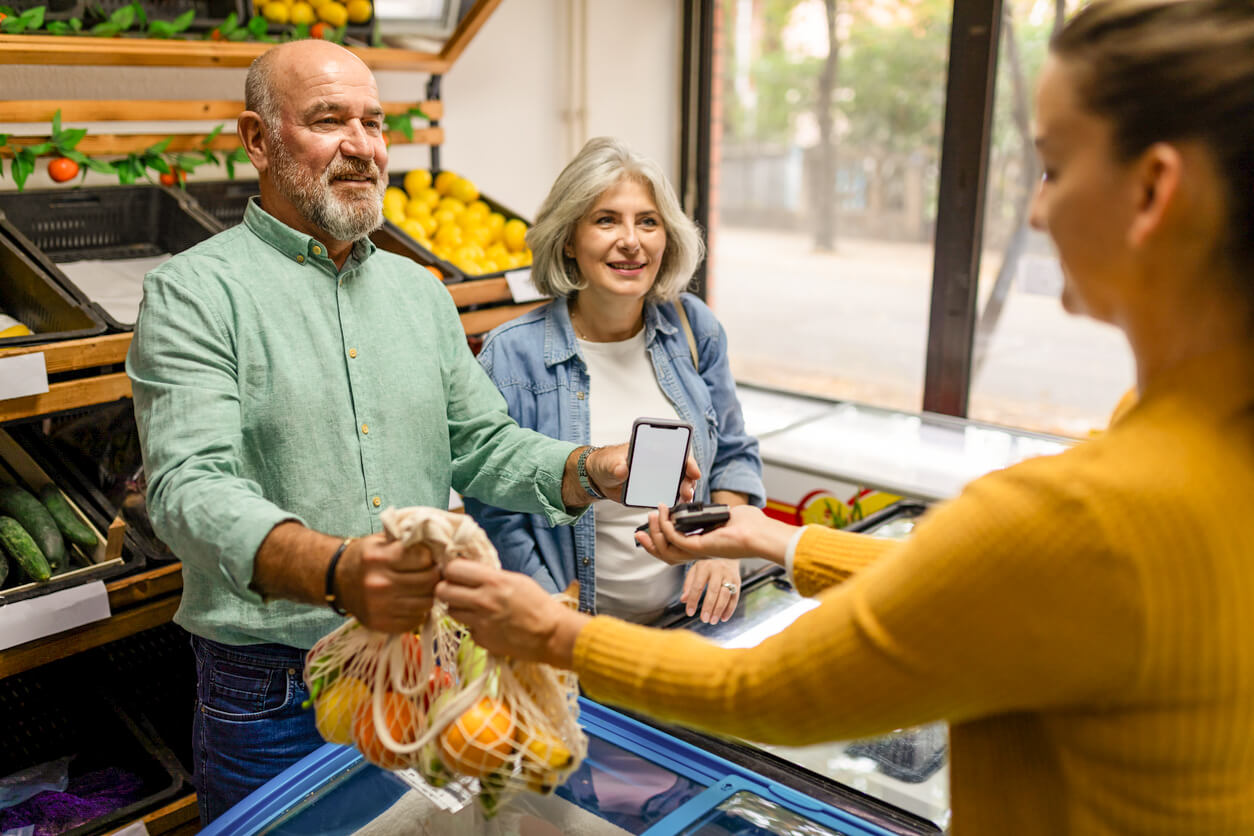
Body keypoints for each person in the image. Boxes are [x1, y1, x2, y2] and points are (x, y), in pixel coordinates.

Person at [436, 1, 1254, 832]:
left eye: (1052, 167)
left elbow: (762, 693)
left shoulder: (1083, 512)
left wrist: (552, 634)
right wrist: (769, 537)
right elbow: (972, 582)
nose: (1035, 213)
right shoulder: (1188, 446)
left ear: (1153, 190)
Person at [126, 40, 692, 824]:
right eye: (330, 120)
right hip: (271, 691)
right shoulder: (194, 293)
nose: (362, 147)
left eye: (375, 123)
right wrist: (337, 570)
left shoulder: (419, 295)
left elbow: (484, 444)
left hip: (421, 671)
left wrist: (594, 466)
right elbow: (190, 488)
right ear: (259, 140)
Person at [462, 137, 765, 625]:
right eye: (606, 220)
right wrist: (557, 619)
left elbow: (733, 455)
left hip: (690, 623)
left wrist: (723, 547)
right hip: (575, 635)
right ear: (567, 238)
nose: (632, 240)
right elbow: (494, 510)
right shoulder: (512, 353)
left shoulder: (694, 328)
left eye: (648, 221)